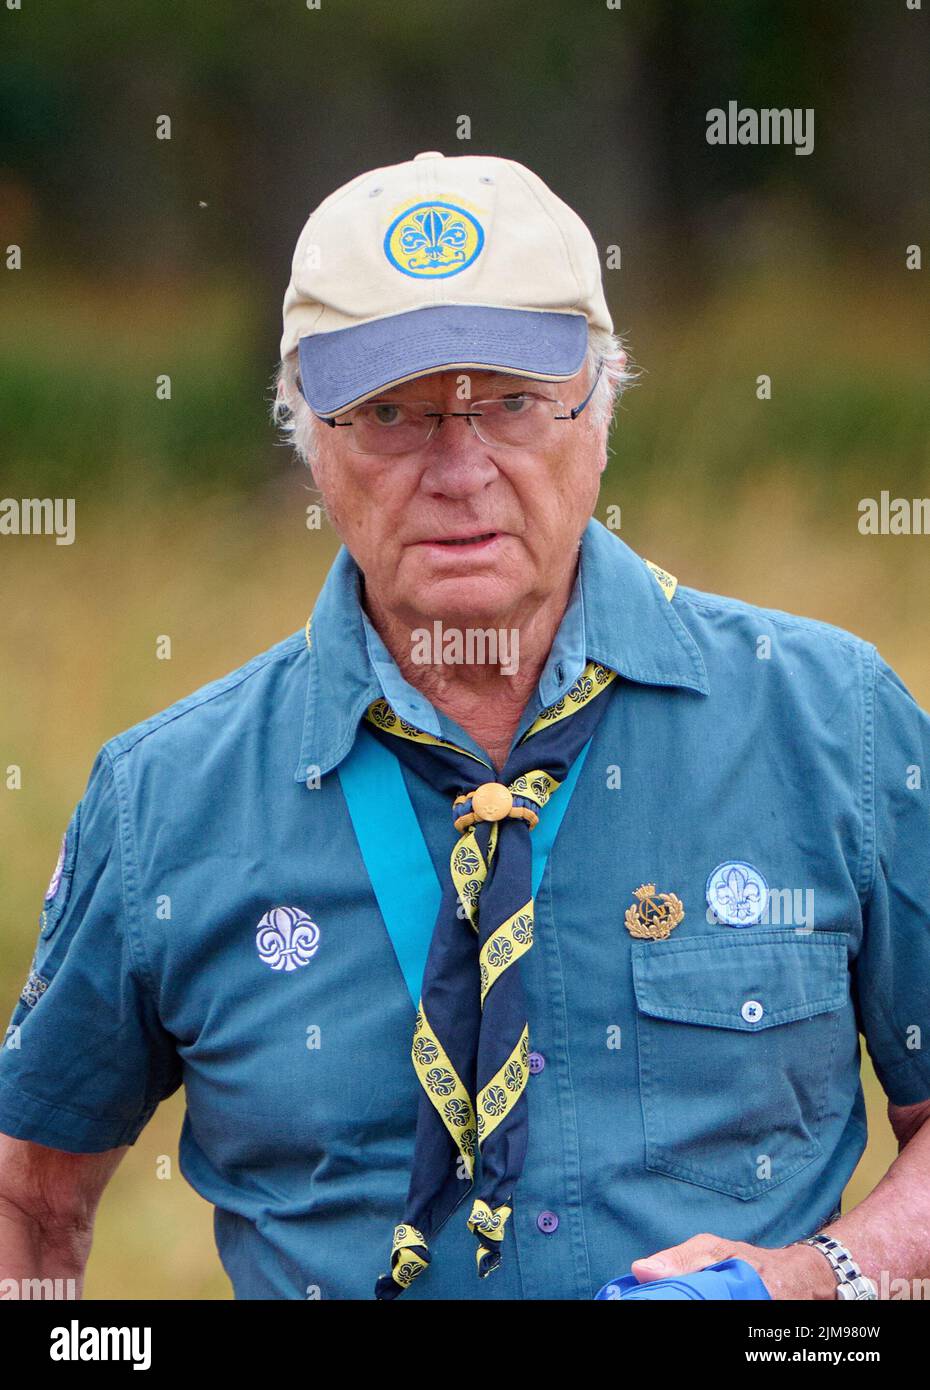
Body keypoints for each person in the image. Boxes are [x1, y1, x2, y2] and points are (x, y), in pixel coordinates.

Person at [1, 151, 928, 1301]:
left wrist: (819, 1282)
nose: (461, 467)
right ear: (309, 435)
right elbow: (30, 1202)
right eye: (393, 412)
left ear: (603, 400)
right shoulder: (164, 802)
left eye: (512, 403)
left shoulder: (832, 724)